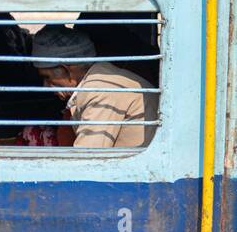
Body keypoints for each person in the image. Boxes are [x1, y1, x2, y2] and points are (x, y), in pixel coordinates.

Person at [30, 26, 158, 148]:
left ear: (66, 70)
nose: (45, 85)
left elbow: (86, 159)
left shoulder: (99, 92)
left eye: (47, 77)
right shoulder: (102, 75)